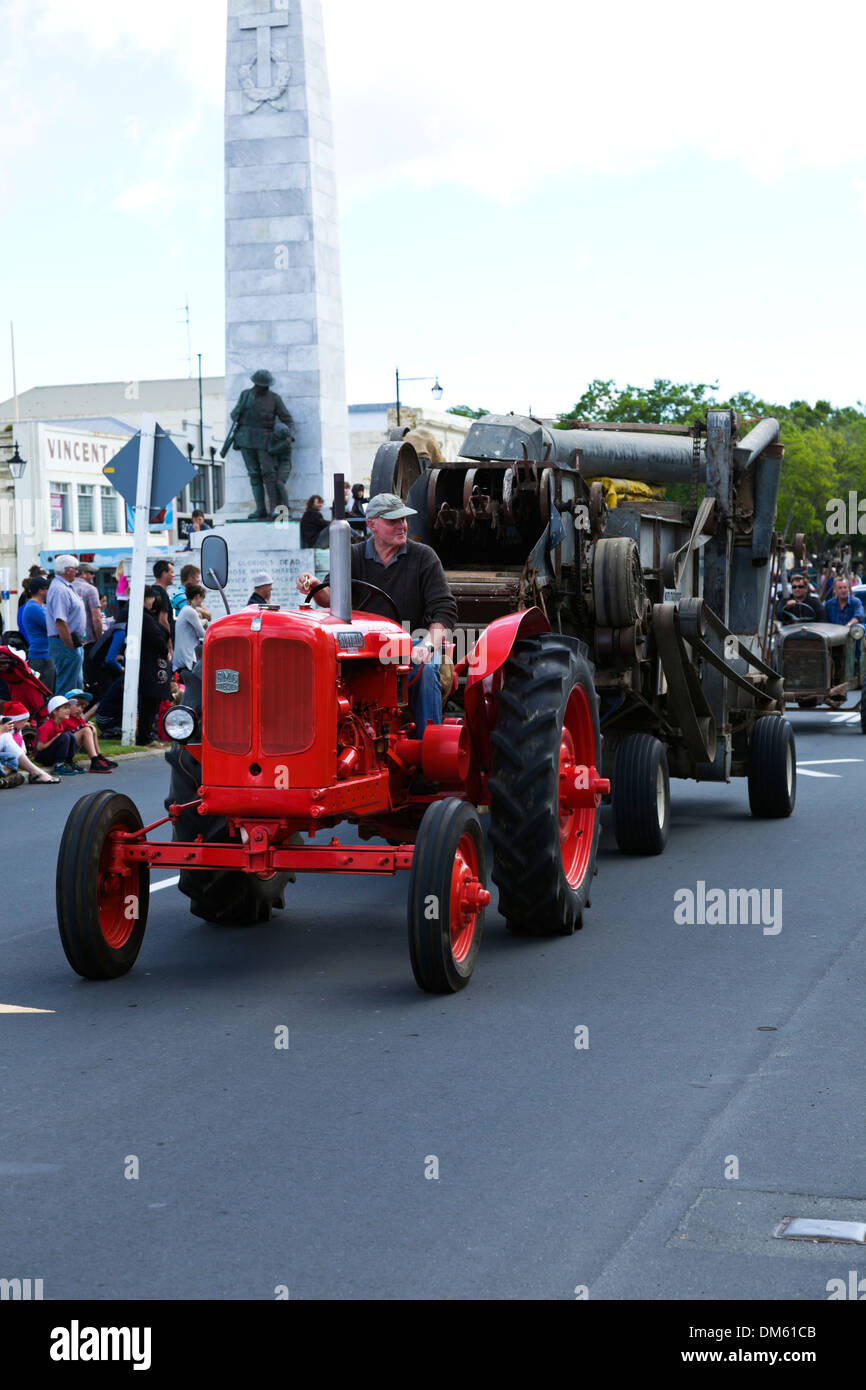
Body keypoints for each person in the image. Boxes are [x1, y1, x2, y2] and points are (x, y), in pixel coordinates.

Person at [296, 492, 458, 740]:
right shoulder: (352, 555)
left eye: (403, 519)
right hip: (361, 648)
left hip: (409, 644)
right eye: (393, 520)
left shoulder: (423, 557)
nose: (402, 526)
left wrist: (426, 646)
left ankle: (428, 750)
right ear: (371, 524)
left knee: (425, 670)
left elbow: (444, 610)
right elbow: (330, 599)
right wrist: (316, 586)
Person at [228, 368, 295, 520]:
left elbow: (287, 419)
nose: (265, 388)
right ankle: (260, 509)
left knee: (269, 475)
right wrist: (241, 407)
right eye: (262, 385)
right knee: (254, 475)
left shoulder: (274, 398)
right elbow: (234, 416)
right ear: (256, 384)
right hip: (245, 439)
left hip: (265, 441)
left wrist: (288, 435)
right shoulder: (245, 395)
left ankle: (275, 509)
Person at [45, 554, 87, 694]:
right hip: (65, 643)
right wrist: (70, 646)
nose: (77, 572)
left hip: (70, 642)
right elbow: (60, 621)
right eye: (75, 569)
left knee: (75, 685)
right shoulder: (59, 589)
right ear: (67, 570)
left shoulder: (64, 587)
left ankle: (73, 715)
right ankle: (62, 715)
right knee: (67, 686)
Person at [138, 586, 171, 746]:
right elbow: (157, 636)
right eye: (151, 598)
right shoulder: (143, 617)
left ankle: (146, 734)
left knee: (150, 703)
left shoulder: (145, 616)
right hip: (149, 664)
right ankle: (145, 736)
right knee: (149, 703)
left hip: (150, 663)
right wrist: (165, 650)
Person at [0, 703, 60, 785]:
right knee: (6, 738)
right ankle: (37, 773)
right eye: (24, 721)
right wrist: (1, 731)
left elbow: (21, 752)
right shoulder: (6, 731)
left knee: (13, 763)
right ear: (15, 721)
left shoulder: (17, 730)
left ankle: (4, 779)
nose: (26, 724)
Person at [18, 575, 56, 690]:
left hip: (44, 656)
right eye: (48, 589)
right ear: (41, 590)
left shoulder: (39, 607)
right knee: (46, 693)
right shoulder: (33, 608)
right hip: (42, 657)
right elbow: (52, 627)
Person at [60, 691, 117, 768]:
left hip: (72, 746)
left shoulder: (77, 718)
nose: (80, 709)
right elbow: (68, 732)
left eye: (82, 707)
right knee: (86, 729)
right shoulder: (64, 717)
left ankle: (99, 756)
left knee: (92, 728)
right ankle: (94, 761)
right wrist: (85, 727)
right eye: (77, 706)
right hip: (63, 748)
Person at [35, 696, 87, 774]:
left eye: (69, 708)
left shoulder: (60, 724)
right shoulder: (47, 726)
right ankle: (59, 766)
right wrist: (55, 738)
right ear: (55, 711)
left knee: (70, 735)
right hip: (43, 757)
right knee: (64, 736)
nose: (68, 711)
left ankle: (69, 762)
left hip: (51, 754)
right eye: (65, 708)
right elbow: (39, 748)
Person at [174, 584, 208, 678]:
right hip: (187, 657)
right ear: (197, 596)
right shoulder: (190, 611)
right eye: (202, 598)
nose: (202, 601)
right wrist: (204, 622)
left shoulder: (185, 610)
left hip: (183, 656)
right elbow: (202, 634)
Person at [72, 562, 104, 653]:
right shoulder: (90, 589)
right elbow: (97, 618)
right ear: (83, 574)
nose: (93, 575)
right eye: (91, 573)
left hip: (69, 640)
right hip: (88, 642)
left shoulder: (66, 588)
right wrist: (100, 640)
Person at [151, 559, 176, 649]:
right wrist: (169, 645)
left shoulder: (151, 590)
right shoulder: (161, 593)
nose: (174, 575)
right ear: (164, 573)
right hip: (162, 642)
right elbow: (163, 620)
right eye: (171, 572)